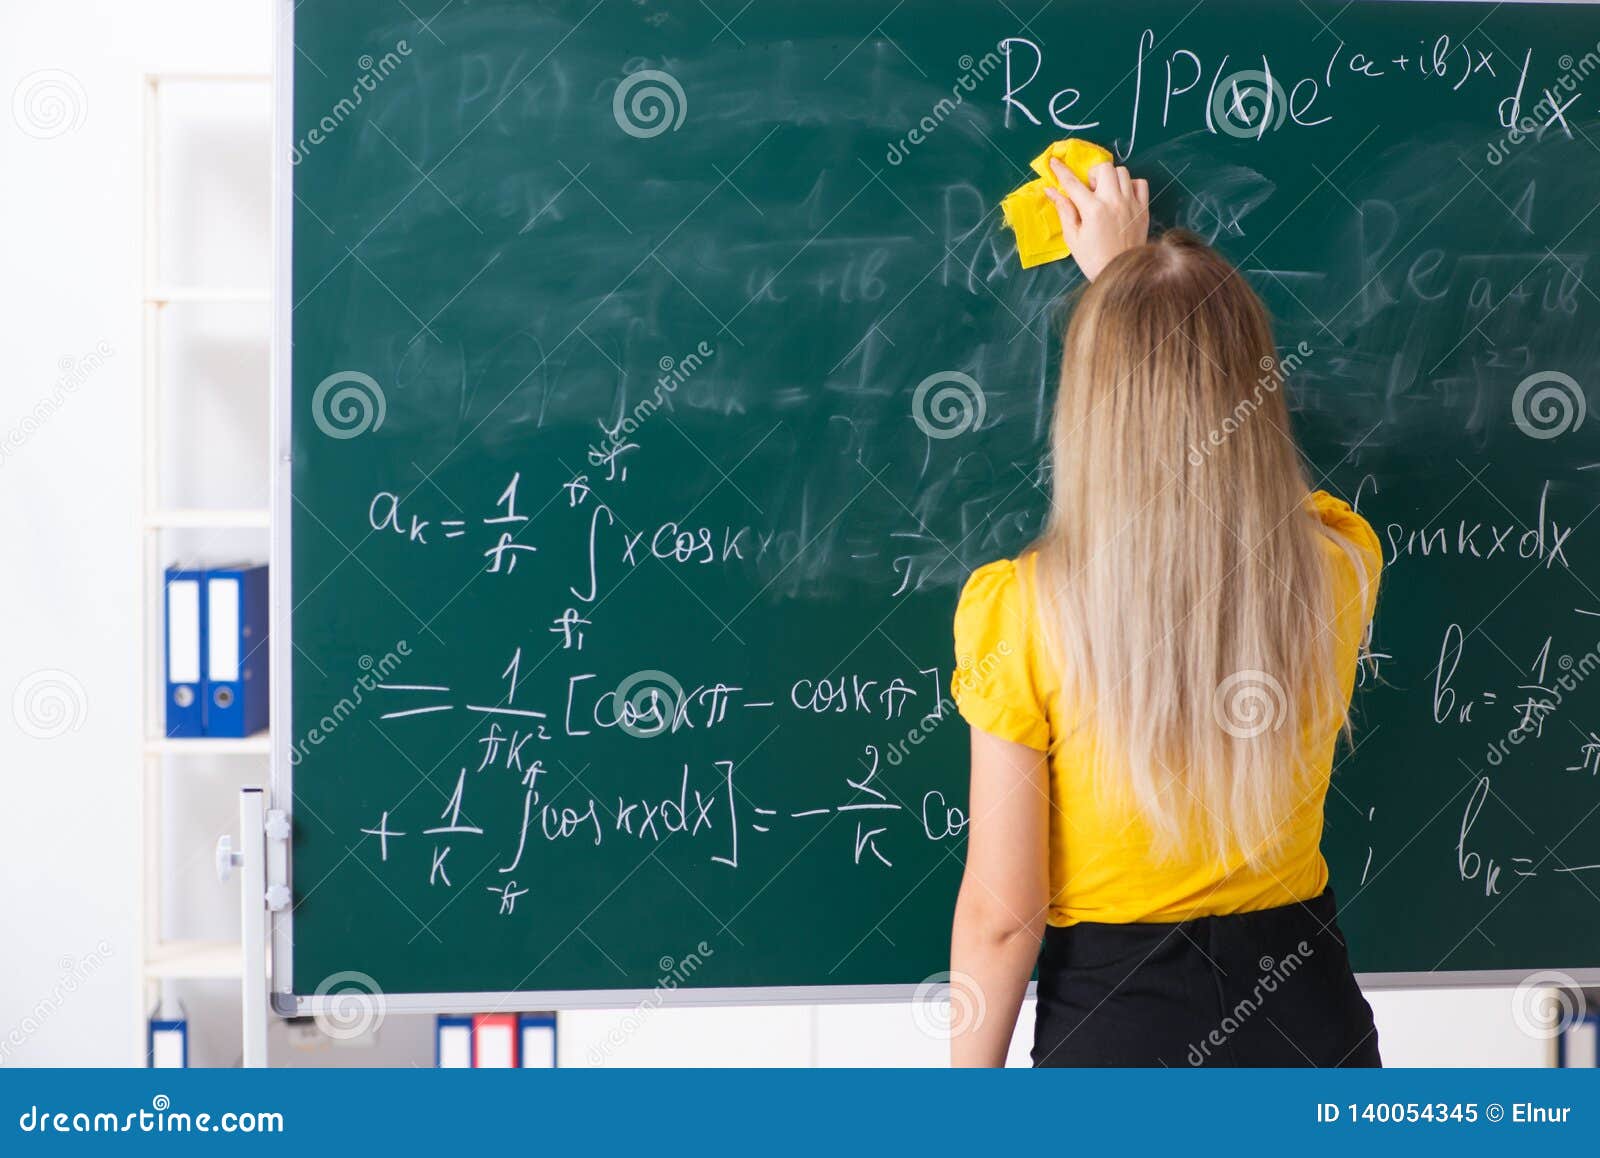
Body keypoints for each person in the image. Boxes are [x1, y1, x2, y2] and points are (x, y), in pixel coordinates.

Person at [947, 157, 1383, 1067]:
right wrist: (1143, 293)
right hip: (1311, 1027)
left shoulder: (1021, 614)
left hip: (1119, 1035)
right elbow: (1211, 470)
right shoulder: (1341, 562)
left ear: (1088, 407)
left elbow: (1003, 916)